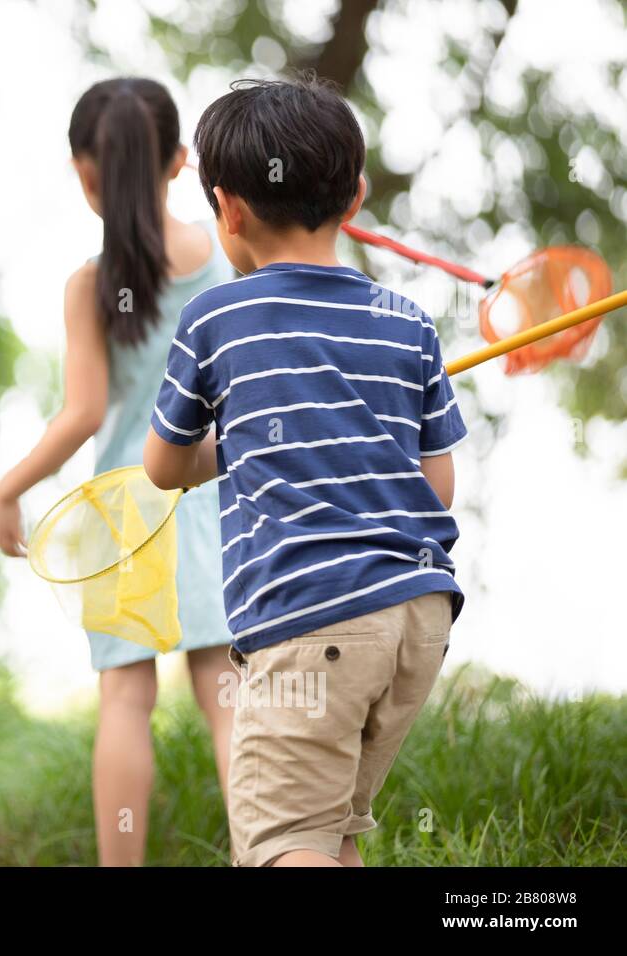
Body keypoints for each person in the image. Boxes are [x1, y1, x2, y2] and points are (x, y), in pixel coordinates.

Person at [145, 75, 468, 867]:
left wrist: (231, 446)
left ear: (228, 209)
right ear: (355, 197)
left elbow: (163, 465)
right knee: (326, 832)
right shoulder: (407, 323)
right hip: (417, 619)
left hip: (309, 624)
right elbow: (438, 488)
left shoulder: (217, 317)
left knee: (285, 840)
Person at [0, 78, 237, 867]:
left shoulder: (89, 286)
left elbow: (83, 415)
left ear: (82, 171)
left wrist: (9, 486)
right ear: (180, 162)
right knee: (229, 699)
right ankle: (270, 855)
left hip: (125, 511)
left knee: (126, 702)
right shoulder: (228, 252)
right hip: (213, 492)